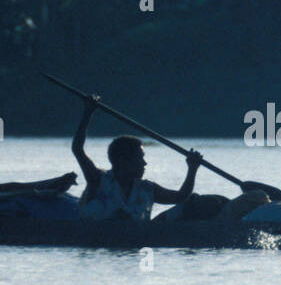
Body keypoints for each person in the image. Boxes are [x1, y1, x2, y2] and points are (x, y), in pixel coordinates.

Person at [71, 93, 202, 220]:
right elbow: (78, 149)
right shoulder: (98, 179)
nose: (144, 163)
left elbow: (180, 197)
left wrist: (192, 168)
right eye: (139, 158)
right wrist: (88, 113)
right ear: (123, 161)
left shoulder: (147, 189)